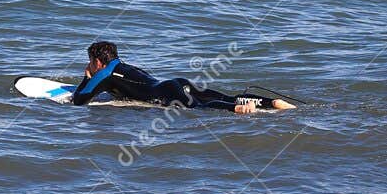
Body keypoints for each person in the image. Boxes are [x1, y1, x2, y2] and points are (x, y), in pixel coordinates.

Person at [71, 42, 295, 113]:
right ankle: (272, 102)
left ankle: (234, 110)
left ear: (98, 62)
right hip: (176, 82)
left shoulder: (104, 74)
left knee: (198, 107)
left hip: (166, 93)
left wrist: (86, 77)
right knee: (225, 96)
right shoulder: (125, 66)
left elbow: (79, 100)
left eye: (91, 63)